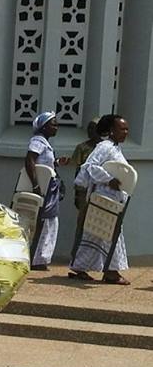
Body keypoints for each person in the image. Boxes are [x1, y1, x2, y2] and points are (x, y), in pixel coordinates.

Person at [71, 113, 132, 285]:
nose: (125, 132)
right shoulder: (105, 146)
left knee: (97, 233)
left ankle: (80, 267)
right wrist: (108, 179)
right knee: (110, 233)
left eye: (127, 129)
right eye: (122, 129)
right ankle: (111, 273)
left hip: (112, 199)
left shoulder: (115, 147)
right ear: (111, 130)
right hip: (104, 198)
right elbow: (89, 166)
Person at [25, 111, 69, 271]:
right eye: (53, 124)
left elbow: (44, 163)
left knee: (50, 221)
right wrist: (36, 185)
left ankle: (40, 258)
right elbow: (30, 160)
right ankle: (37, 258)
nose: (56, 127)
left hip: (50, 186)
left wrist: (57, 162)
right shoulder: (38, 141)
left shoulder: (45, 143)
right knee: (46, 220)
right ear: (43, 127)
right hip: (44, 188)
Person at [69, 117, 101, 250]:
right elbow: (78, 171)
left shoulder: (105, 149)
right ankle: (77, 254)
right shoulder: (82, 148)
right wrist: (77, 194)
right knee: (82, 223)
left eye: (93, 129)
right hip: (84, 192)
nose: (90, 132)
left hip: (100, 191)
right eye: (89, 129)